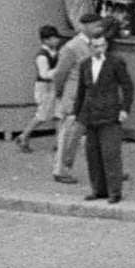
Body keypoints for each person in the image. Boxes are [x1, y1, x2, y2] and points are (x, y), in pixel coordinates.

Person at [73, 23, 135, 203]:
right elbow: (81, 91)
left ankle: (115, 191)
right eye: (95, 46)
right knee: (93, 154)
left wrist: (125, 108)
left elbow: (127, 86)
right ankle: (98, 189)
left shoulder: (115, 62)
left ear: (106, 46)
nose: (99, 49)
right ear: (90, 47)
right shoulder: (85, 64)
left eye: (102, 46)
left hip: (110, 113)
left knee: (110, 154)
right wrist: (77, 113)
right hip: (90, 114)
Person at [49, 15, 104, 185]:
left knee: (100, 133)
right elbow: (60, 73)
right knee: (69, 134)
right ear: (84, 27)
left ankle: (107, 167)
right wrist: (59, 93)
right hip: (74, 97)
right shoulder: (71, 48)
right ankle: (61, 169)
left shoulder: (97, 44)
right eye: (96, 26)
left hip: (92, 95)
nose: (100, 29)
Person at [13, 24, 64, 151]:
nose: (57, 40)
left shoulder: (55, 52)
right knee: (43, 115)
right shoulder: (42, 56)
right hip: (45, 86)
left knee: (59, 113)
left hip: (54, 85)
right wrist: (60, 70)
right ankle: (24, 136)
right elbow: (44, 74)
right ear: (46, 40)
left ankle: (59, 142)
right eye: (53, 38)